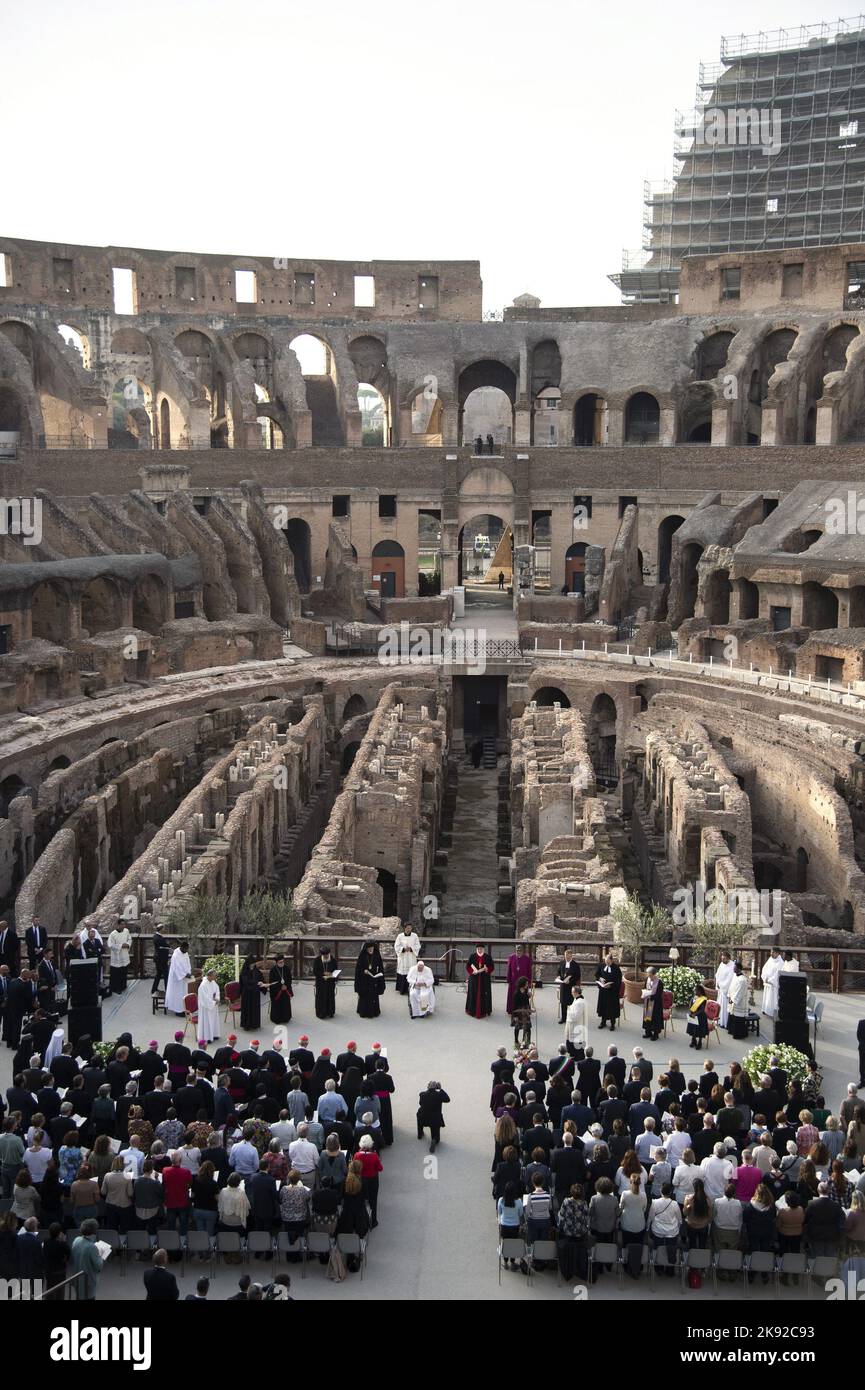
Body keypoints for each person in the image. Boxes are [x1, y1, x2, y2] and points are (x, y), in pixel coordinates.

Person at [69, 1219, 104, 1300]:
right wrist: (101, 1255)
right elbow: (99, 1265)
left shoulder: (76, 1240)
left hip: (77, 1279)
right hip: (88, 1282)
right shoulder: (91, 1247)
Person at [417, 1080, 450, 1153]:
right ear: (436, 1087)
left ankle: (420, 1133)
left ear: (428, 1086)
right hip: (435, 1120)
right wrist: (441, 1089)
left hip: (424, 1118)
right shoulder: (439, 1095)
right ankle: (434, 1140)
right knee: (436, 1136)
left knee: (419, 1112)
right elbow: (448, 1099)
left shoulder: (422, 1094)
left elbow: (420, 1103)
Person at [354, 941, 385, 1017]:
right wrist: (363, 971)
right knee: (364, 996)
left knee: (373, 995)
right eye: (369, 948)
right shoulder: (362, 956)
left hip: (374, 979)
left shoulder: (377, 955)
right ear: (366, 949)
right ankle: (363, 1012)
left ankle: (374, 1011)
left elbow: (380, 967)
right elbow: (358, 969)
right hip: (364, 980)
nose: (371, 950)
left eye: (372, 948)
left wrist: (379, 974)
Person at [595, 951, 622, 1031]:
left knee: (611, 1008)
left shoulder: (616, 968)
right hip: (603, 991)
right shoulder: (601, 965)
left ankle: (612, 1024)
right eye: (606, 961)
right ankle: (603, 1022)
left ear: (611, 961)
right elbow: (597, 975)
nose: (606, 963)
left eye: (608, 962)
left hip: (612, 992)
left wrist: (611, 985)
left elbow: (618, 980)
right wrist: (600, 979)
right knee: (603, 1006)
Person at [465, 944, 494, 1018]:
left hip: (484, 979)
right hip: (474, 979)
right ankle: (472, 1010)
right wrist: (472, 972)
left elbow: (492, 967)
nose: (479, 950)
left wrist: (487, 969)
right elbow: (468, 966)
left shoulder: (488, 957)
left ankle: (484, 1011)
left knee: (484, 994)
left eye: (481, 949)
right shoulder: (472, 956)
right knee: (473, 994)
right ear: (476, 949)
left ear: (483, 949)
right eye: (478, 949)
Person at [164, 940, 192, 1015]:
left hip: (184, 977)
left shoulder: (185, 953)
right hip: (177, 978)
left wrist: (189, 972)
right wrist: (184, 974)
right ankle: (178, 1010)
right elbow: (177, 967)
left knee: (184, 993)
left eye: (187, 949)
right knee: (178, 994)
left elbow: (188, 963)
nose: (187, 950)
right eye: (186, 949)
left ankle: (184, 1008)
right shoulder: (176, 955)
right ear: (182, 947)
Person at [239, 955, 266, 1030]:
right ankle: (246, 1025)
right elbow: (246, 982)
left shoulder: (256, 970)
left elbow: (261, 978)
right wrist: (257, 983)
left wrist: (264, 984)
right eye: (251, 964)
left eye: (254, 964)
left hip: (255, 994)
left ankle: (255, 1024)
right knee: (247, 1009)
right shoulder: (244, 972)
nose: (253, 965)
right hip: (247, 994)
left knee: (255, 1009)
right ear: (248, 964)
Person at [556, 948, 582, 1025]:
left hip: (571, 986)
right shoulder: (562, 963)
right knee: (563, 1002)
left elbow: (578, 976)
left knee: (571, 1003)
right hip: (563, 986)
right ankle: (563, 1018)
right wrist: (558, 977)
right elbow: (558, 972)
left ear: (571, 956)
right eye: (565, 956)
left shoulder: (575, 965)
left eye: (568, 957)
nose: (566, 958)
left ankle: (571, 1018)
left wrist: (570, 981)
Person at [107, 921, 132, 995]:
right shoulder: (113, 934)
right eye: (122, 924)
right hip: (117, 957)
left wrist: (127, 945)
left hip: (124, 955)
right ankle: (116, 988)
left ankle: (123, 986)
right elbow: (110, 945)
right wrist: (121, 946)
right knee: (116, 972)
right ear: (117, 925)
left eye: (124, 924)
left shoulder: (126, 931)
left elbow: (129, 939)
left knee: (124, 971)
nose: (123, 926)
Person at [506, 947, 533, 1014]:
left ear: (522, 951)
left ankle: (524, 1010)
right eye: (517, 951)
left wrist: (528, 982)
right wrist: (508, 978)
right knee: (513, 995)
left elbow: (529, 971)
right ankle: (512, 1010)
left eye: (520, 951)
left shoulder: (527, 959)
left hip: (523, 981)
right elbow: (509, 969)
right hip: (513, 981)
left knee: (523, 996)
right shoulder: (511, 957)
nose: (518, 952)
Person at [727, 961, 750, 1041]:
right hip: (732, 999)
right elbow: (731, 987)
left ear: (739, 969)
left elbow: (740, 992)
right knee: (732, 1016)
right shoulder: (735, 976)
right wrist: (729, 996)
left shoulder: (742, 980)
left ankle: (739, 1034)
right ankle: (732, 1031)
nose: (733, 968)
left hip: (739, 1002)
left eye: (735, 967)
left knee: (738, 1018)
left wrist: (733, 1000)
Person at [394, 928, 420, 996]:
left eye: (410, 928)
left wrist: (411, 948)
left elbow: (418, 945)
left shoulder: (415, 936)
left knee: (412, 972)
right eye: (407, 928)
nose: (409, 929)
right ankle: (402, 989)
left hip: (411, 957)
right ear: (404, 928)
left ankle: (412, 988)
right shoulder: (400, 936)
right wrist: (403, 949)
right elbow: (396, 946)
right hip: (403, 957)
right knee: (403, 972)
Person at [313, 946, 337, 1019]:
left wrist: (331, 974)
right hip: (321, 982)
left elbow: (335, 970)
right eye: (324, 955)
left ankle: (330, 1012)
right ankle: (321, 1013)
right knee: (321, 998)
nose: (326, 957)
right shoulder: (317, 960)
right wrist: (323, 974)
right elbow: (315, 971)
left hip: (330, 982)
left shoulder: (332, 960)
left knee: (330, 997)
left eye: (327, 955)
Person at [268, 954, 293, 1024]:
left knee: (285, 1003)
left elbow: (289, 979)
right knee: (277, 1004)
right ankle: (276, 1019)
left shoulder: (287, 968)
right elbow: (272, 983)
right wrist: (280, 986)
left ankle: (286, 1018)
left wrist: (286, 986)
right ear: (276, 963)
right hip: (276, 992)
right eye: (280, 962)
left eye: (283, 962)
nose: (282, 963)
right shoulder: (273, 971)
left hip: (285, 990)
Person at [197, 970, 221, 1043]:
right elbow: (204, 998)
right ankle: (207, 1037)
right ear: (209, 976)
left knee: (213, 1020)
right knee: (207, 1022)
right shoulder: (203, 985)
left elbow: (217, 990)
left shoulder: (213, 982)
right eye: (214, 976)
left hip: (213, 1005)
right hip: (206, 1007)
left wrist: (217, 998)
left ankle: (214, 1034)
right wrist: (213, 1002)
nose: (215, 977)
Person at [641, 965, 663, 1042]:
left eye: (649, 974)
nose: (648, 976)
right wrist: (644, 993)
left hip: (655, 1003)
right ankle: (648, 1032)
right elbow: (644, 988)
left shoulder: (659, 982)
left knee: (655, 1018)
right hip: (647, 1001)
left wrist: (651, 997)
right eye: (648, 974)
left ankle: (655, 1034)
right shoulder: (647, 979)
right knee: (647, 1016)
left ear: (654, 974)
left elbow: (659, 994)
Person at [565, 985, 587, 1058]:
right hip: (574, 1025)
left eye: (572, 992)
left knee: (576, 1042)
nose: (571, 993)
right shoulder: (577, 999)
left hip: (575, 1025)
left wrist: (568, 1011)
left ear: (576, 992)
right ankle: (573, 1053)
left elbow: (576, 1016)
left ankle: (578, 1056)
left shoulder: (579, 1003)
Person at [714, 952, 734, 1029]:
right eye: (722, 958)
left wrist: (722, 985)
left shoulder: (732, 966)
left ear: (728, 958)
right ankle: (719, 1020)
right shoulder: (722, 964)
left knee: (725, 1007)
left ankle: (725, 1022)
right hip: (720, 989)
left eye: (724, 958)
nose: (722, 960)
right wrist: (718, 983)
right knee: (719, 1005)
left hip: (726, 990)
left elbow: (729, 979)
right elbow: (717, 974)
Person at [510, 976, 532, 1048]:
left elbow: (526, 1001)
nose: (527, 985)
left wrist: (528, 996)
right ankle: (516, 1041)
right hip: (518, 1012)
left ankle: (527, 1041)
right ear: (522, 984)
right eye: (526, 983)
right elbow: (514, 1005)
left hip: (525, 1011)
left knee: (528, 1027)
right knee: (517, 1027)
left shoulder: (525, 990)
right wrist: (515, 1016)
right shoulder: (516, 993)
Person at [761, 947, 783, 1017]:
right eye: (771, 952)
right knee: (766, 997)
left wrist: (770, 980)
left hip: (773, 984)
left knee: (772, 999)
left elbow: (777, 974)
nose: (771, 954)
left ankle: (773, 1012)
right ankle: (765, 1009)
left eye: (773, 952)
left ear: (777, 953)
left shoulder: (781, 963)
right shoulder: (770, 959)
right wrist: (765, 977)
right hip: (767, 981)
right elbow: (764, 968)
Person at [151, 929, 170, 996]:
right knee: (166, 975)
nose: (164, 930)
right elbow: (166, 946)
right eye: (163, 928)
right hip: (161, 960)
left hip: (158, 959)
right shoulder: (159, 938)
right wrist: (168, 945)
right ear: (161, 929)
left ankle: (154, 989)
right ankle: (168, 990)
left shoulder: (156, 936)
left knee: (158, 975)